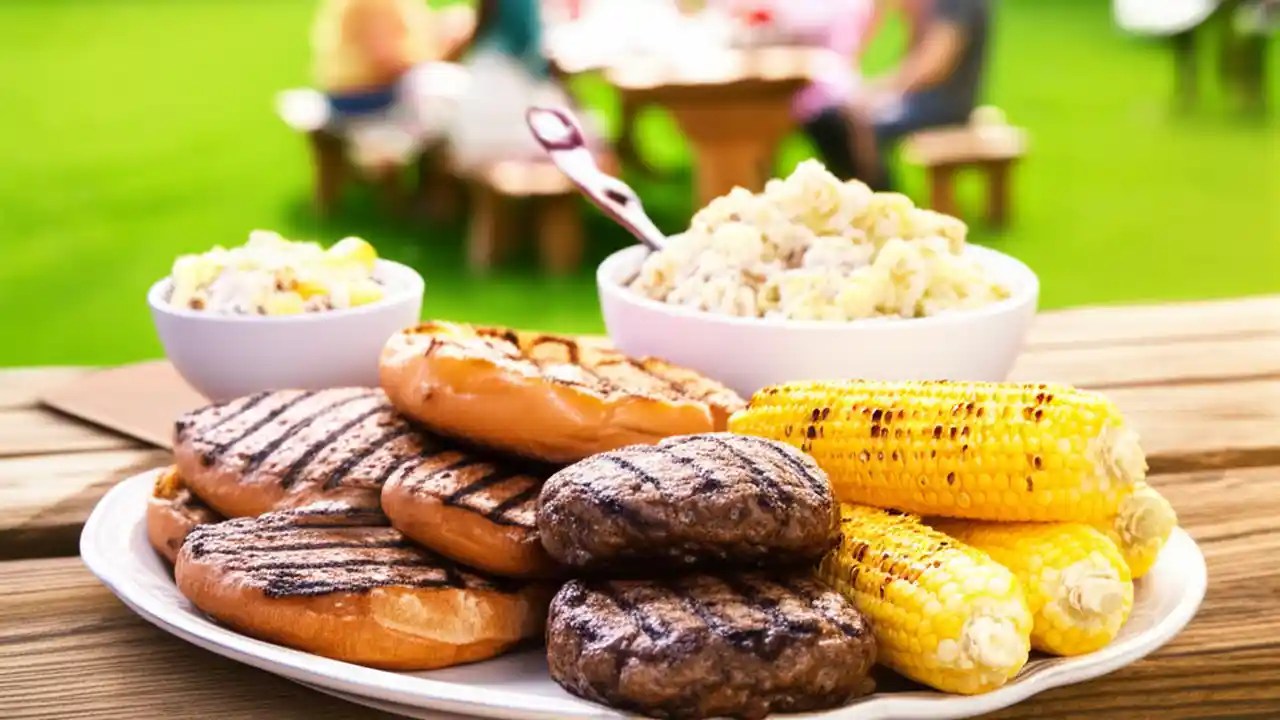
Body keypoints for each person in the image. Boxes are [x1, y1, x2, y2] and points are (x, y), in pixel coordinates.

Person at [852, 0, 992, 189]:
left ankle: (882, 199)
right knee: (846, 120)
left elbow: (933, 65)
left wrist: (877, 90)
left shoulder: (959, 4)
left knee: (859, 127)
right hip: (926, 101)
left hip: (944, 107)